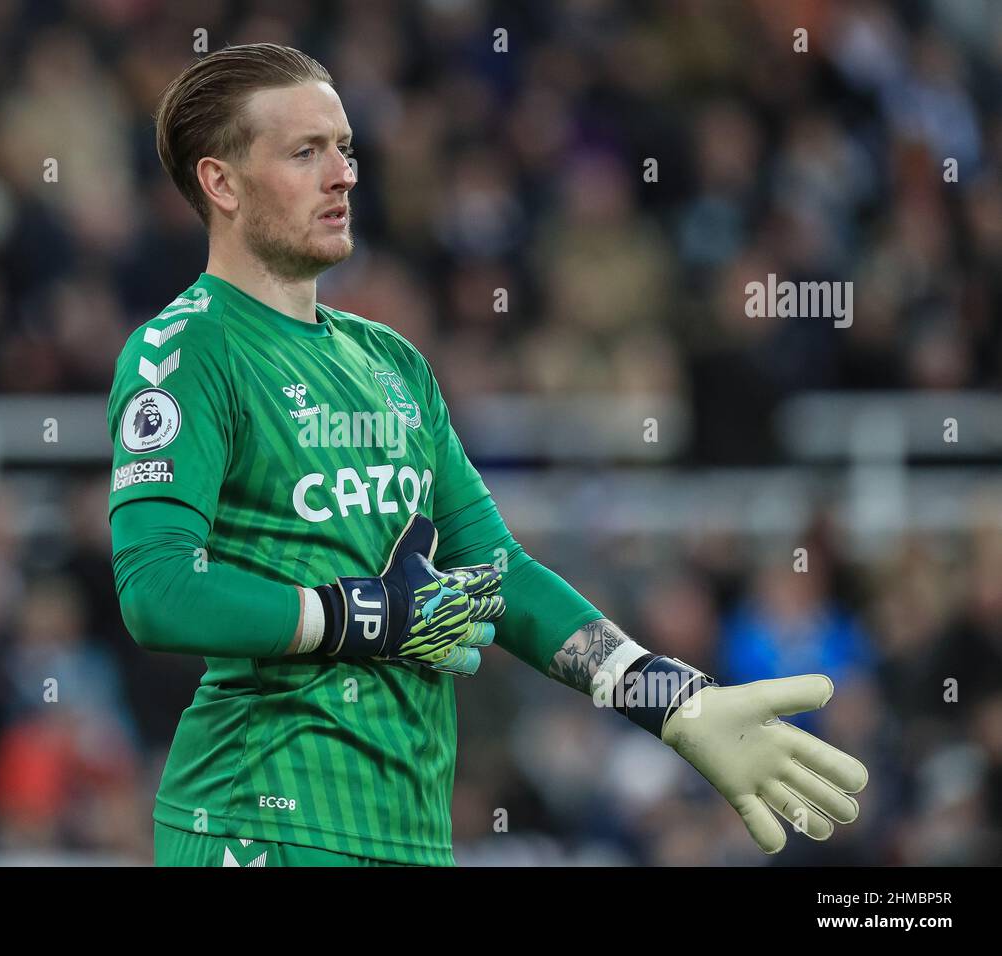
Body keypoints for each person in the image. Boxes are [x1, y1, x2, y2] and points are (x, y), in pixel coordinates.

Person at [107, 42, 867, 867]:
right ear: (221, 182)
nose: (344, 175)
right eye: (306, 152)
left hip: (410, 830)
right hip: (258, 822)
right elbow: (158, 590)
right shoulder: (186, 351)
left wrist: (671, 699)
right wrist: (362, 614)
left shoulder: (391, 362)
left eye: (347, 148)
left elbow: (495, 571)